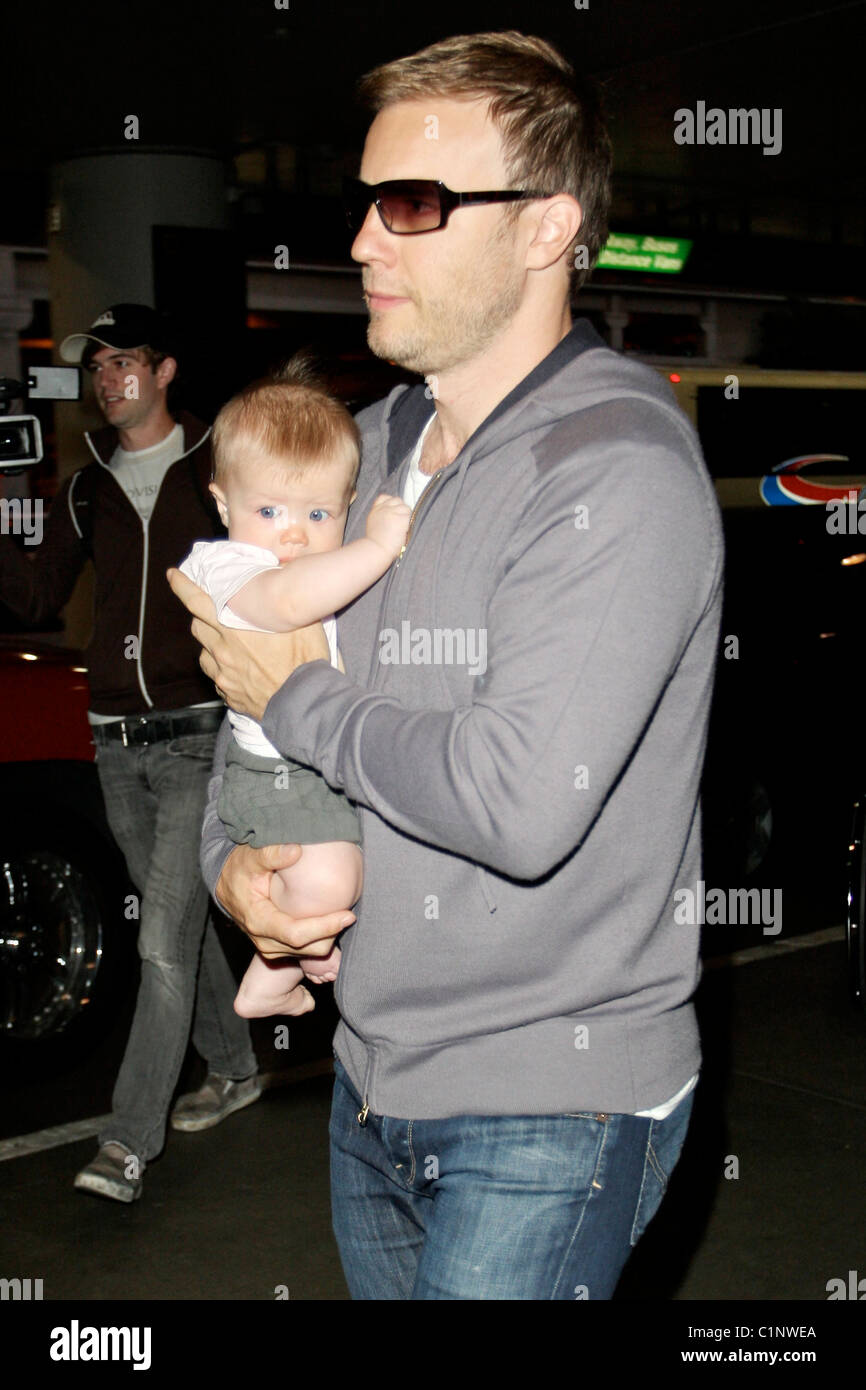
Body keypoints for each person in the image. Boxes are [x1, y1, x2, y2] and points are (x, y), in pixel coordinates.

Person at [170, 30, 724, 1298]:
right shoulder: (354, 447)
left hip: (549, 1102)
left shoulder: (611, 469)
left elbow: (516, 802)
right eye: (364, 202)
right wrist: (235, 873)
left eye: (413, 205)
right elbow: (242, 695)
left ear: (544, 230)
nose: (365, 240)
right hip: (369, 1077)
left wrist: (301, 699)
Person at [0, 304, 261, 1204]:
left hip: (197, 733)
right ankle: (236, 1065)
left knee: (158, 944)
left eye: (124, 363)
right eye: (97, 367)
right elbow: (35, 597)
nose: (108, 379)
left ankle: (127, 1143)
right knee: (174, 918)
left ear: (166, 370)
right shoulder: (85, 489)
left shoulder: (218, 466)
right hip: (115, 741)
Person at [179, 360, 411, 1018]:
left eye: (317, 512)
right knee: (336, 877)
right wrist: (375, 547)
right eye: (269, 509)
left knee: (337, 871)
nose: (293, 532)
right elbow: (285, 602)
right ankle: (275, 969)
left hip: (304, 762)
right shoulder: (223, 563)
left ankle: (292, 963)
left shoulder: (286, 552)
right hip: (274, 769)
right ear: (222, 504)